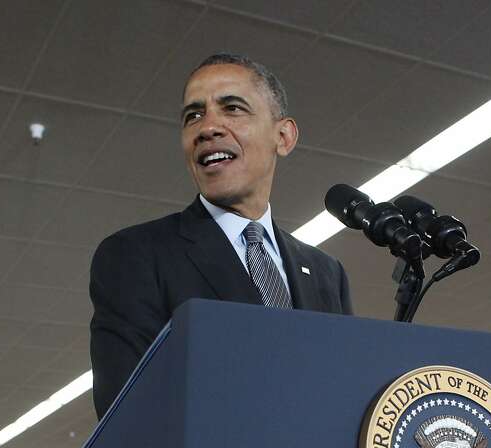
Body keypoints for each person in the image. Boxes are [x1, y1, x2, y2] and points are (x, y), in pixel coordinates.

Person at [88, 52, 353, 417]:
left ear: (284, 135)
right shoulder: (134, 255)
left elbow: (344, 396)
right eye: (192, 115)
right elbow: (127, 416)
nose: (207, 127)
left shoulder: (326, 272)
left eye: (232, 108)